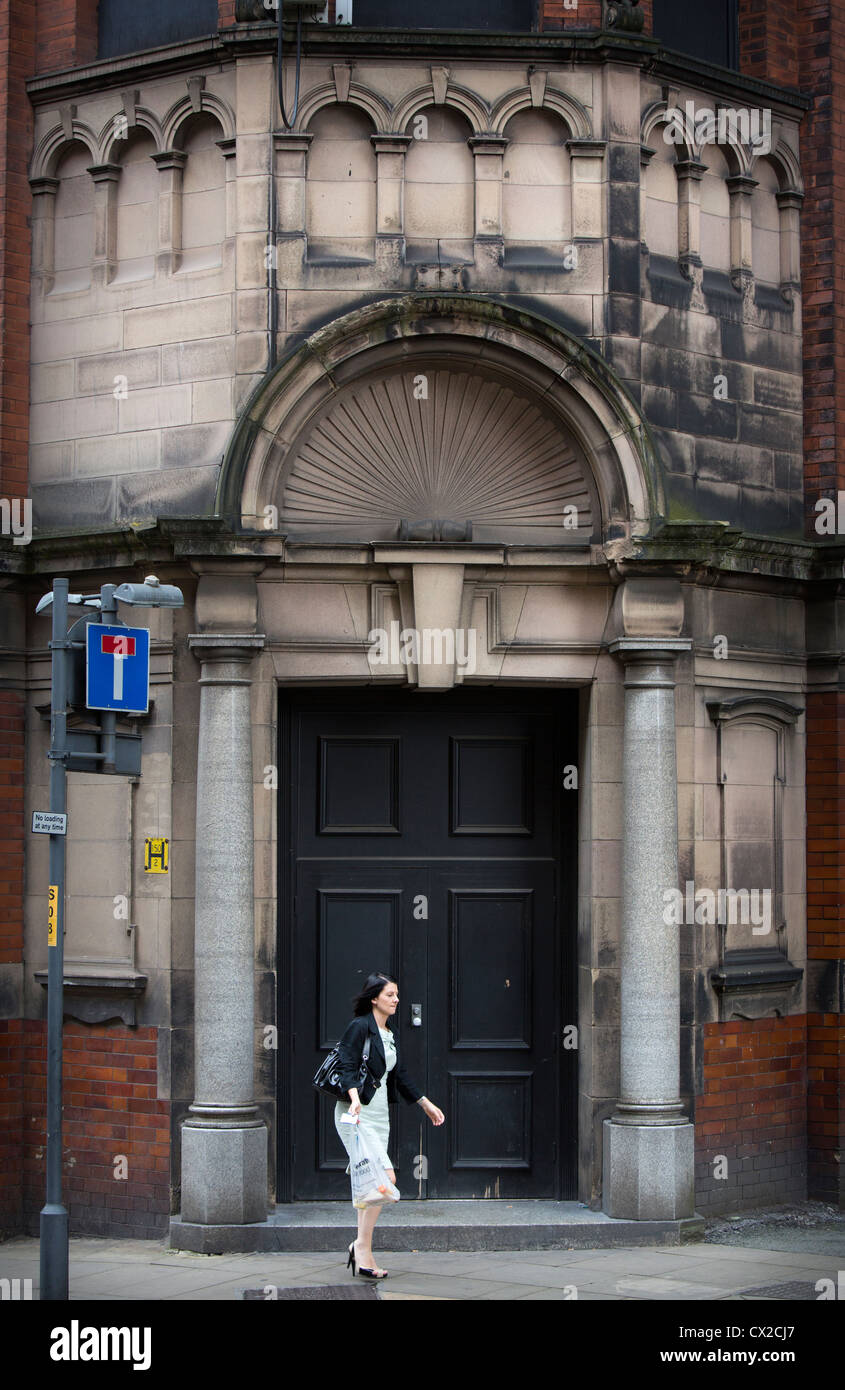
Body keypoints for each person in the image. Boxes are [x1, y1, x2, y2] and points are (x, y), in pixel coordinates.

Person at [334, 971, 444, 1279]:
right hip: (356, 1113)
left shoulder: (388, 1032)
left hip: (379, 1116)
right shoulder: (360, 1027)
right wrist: (354, 1097)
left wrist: (426, 1104)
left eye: (396, 995)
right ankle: (361, 1246)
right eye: (390, 995)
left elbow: (399, 1076)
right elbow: (346, 1063)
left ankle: (362, 1252)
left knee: (371, 1182)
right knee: (384, 1178)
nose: (396, 1000)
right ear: (374, 999)